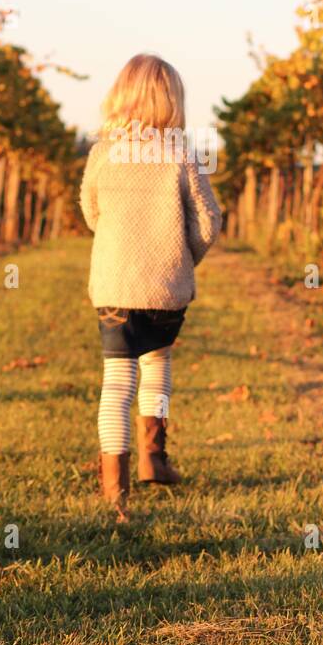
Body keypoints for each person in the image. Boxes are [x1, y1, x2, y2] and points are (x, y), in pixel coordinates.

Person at [79, 54, 222, 518]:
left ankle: (114, 489)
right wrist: (182, 258)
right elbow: (208, 221)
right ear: (171, 100)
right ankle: (153, 459)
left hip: (114, 286)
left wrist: (117, 246)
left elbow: (91, 211)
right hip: (165, 286)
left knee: (117, 381)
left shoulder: (103, 152)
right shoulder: (180, 152)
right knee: (158, 360)